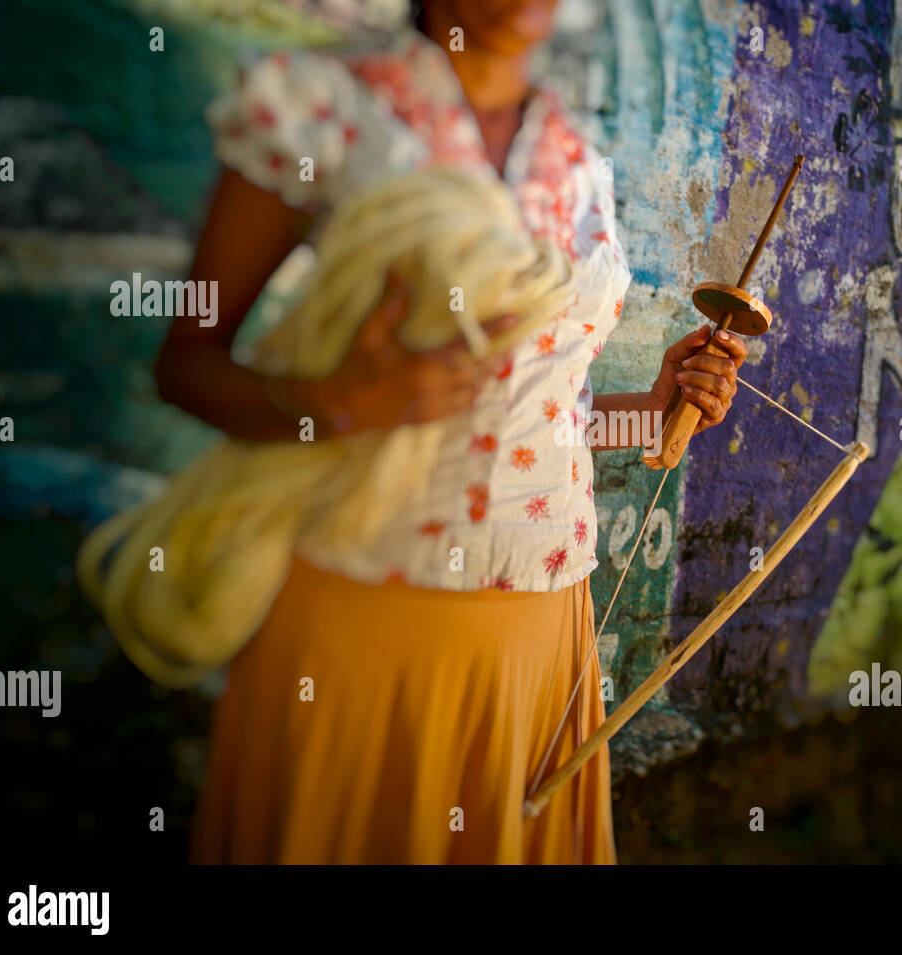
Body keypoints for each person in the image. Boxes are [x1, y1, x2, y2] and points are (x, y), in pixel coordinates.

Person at [160, 0, 747, 864]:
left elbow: (541, 414)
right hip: (367, 605)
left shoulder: (578, 161)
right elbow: (185, 363)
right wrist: (349, 401)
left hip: (541, 627)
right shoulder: (327, 106)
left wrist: (656, 407)